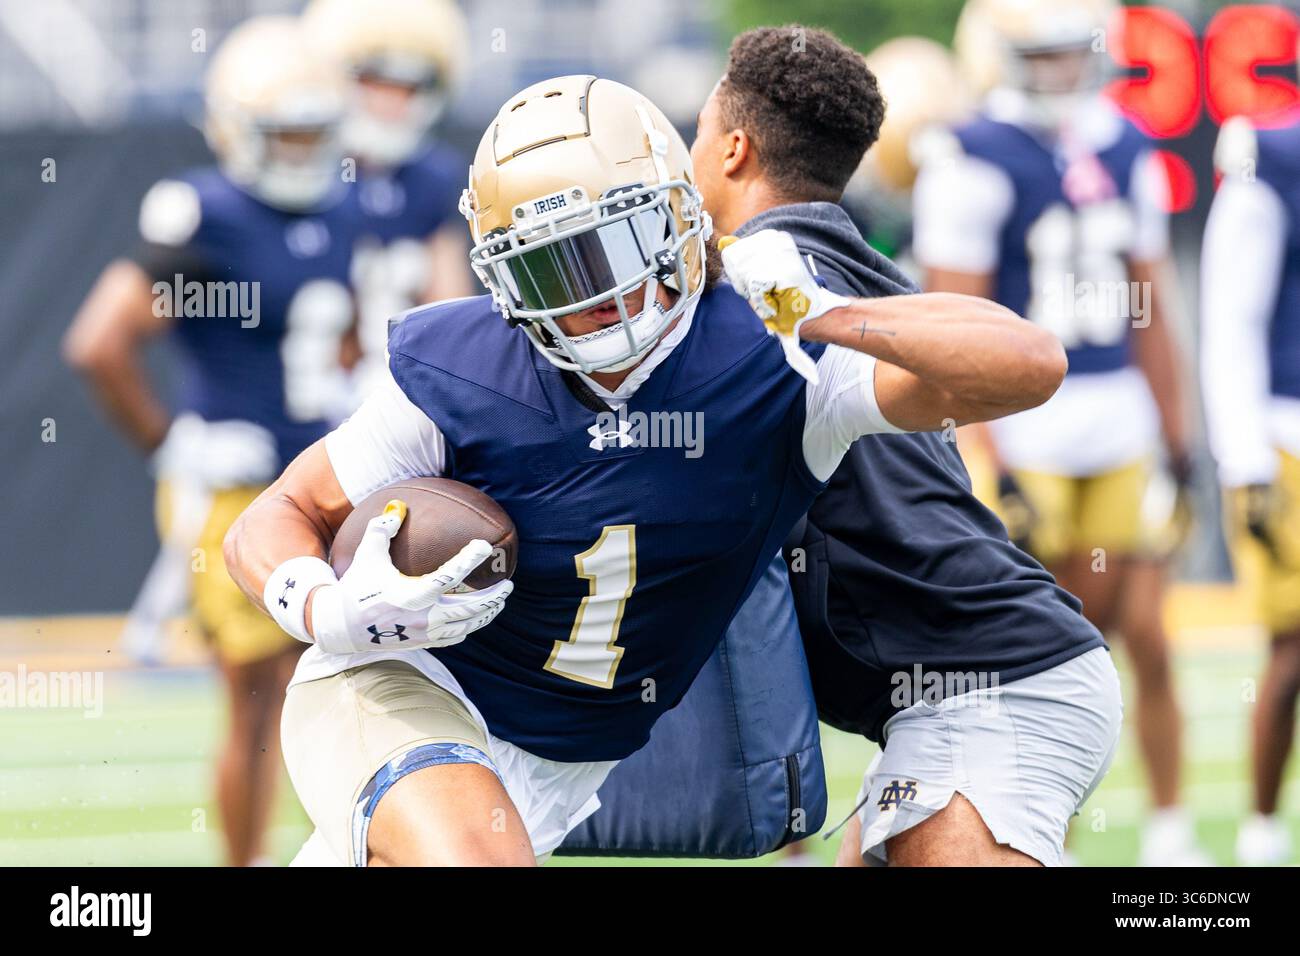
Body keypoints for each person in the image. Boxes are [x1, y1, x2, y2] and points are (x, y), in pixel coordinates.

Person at [222, 73, 1066, 866]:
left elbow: (1028, 365)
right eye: (551, 267)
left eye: (617, 244)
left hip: (563, 760)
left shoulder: (772, 353)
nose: (597, 296)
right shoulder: (465, 367)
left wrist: (831, 315)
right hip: (406, 688)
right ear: (503, 278)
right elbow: (278, 514)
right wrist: (327, 608)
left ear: (680, 215)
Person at [915, 0, 1206, 865]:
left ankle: (1171, 827)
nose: (1063, 72)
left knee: (1148, 631)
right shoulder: (969, 155)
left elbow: (1151, 309)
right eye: (1041, 56)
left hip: (1118, 420)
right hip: (1024, 430)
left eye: (1070, 54)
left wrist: (1178, 440)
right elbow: (952, 329)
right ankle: (1040, 834)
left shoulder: (1123, 143)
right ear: (1000, 58)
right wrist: (981, 455)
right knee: (1036, 652)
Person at [62, 17, 357, 865]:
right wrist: (173, 443)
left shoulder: (347, 208)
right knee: (260, 702)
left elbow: (344, 340)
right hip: (237, 494)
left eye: (313, 133)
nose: (301, 152)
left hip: (329, 479)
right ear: (235, 129)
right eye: (284, 134)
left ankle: (330, 851)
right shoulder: (206, 213)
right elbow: (98, 342)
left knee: (338, 693)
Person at [1202, 103, 1300, 866]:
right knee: (1293, 645)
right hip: (1284, 432)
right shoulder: (1269, 157)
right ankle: (1263, 830)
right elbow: (1231, 318)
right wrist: (1246, 463)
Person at [303, 0, 476, 402]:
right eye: (375, 82)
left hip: (394, 388)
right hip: (309, 391)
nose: (389, 102)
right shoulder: (308, 172)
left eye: (407, 87)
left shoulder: (432, 177)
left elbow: (450, 308)